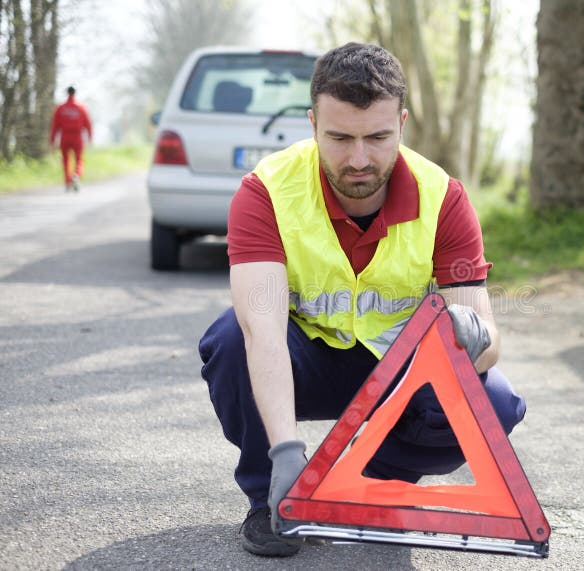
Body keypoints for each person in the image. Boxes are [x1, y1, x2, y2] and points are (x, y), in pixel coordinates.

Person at [198, 42, 526, 558]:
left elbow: (486, 342)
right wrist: (286, 454)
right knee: (230, 337)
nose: (359, 159)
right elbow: (260, 330)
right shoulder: (266, 192)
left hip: (398, 372)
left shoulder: (444, 197)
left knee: (495, 400)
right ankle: (269, 497)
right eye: (339, 137)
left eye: (377, 137)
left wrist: (474, 334)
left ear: (402, 122)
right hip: (301, 361)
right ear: (312, 124)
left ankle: (372, 482)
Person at [49, 86, 92, 192]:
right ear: (75, 93)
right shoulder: (81, 107)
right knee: (79, 159)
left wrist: (52, 139)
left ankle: (67, 182)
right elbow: (88, 124)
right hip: (77, 137)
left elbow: (55, 125)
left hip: (65, 137)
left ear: (67, 93)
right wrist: (90, 136)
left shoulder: (60, 108)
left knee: (65, 160)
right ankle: (76, 175)